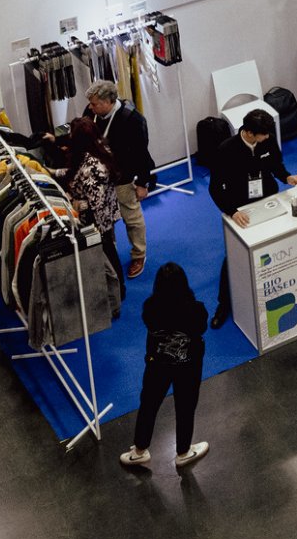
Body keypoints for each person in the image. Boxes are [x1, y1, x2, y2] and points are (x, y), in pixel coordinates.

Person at [208, 110, 297, 328]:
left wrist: (287, 177)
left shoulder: (267, 141)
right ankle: (224, 304)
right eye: (263, 134)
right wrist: (232, 211)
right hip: (240, 207)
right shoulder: (226, 150)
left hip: (268, 199)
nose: (268, 138)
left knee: (276, 244)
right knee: (233, 254)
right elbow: (215, 188)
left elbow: (276, 165)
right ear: (248, 132)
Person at [118, 262, 210, 472]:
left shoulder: (150, 307)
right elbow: (200, 329)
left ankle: (139, 451)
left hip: (157, 365)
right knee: (185, 408)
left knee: (148, 405)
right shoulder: (196, 309)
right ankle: (183, 452)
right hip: (188, 367)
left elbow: (150, 325)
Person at [87, 79, 155, 278]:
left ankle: (139, 254)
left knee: (132, 219)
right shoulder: (92, 112)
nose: (91, 108)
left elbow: (143, 154)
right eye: (90, 104)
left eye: (95, 104)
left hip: (123, 178)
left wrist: (143, 183)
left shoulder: (133, 120)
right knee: (104, 219)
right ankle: (111, 254)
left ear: (109, 101)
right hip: (100, 179)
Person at [53, 115, 125, 292]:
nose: (68, 137)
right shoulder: (94, 151)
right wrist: (52, 172)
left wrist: (77, 205)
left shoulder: (93, 167)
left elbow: (96, 202)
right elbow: (74, 172)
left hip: (98, 220)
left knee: (107, 250)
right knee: (107, 250)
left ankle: (118, 289)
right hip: (102, 215)